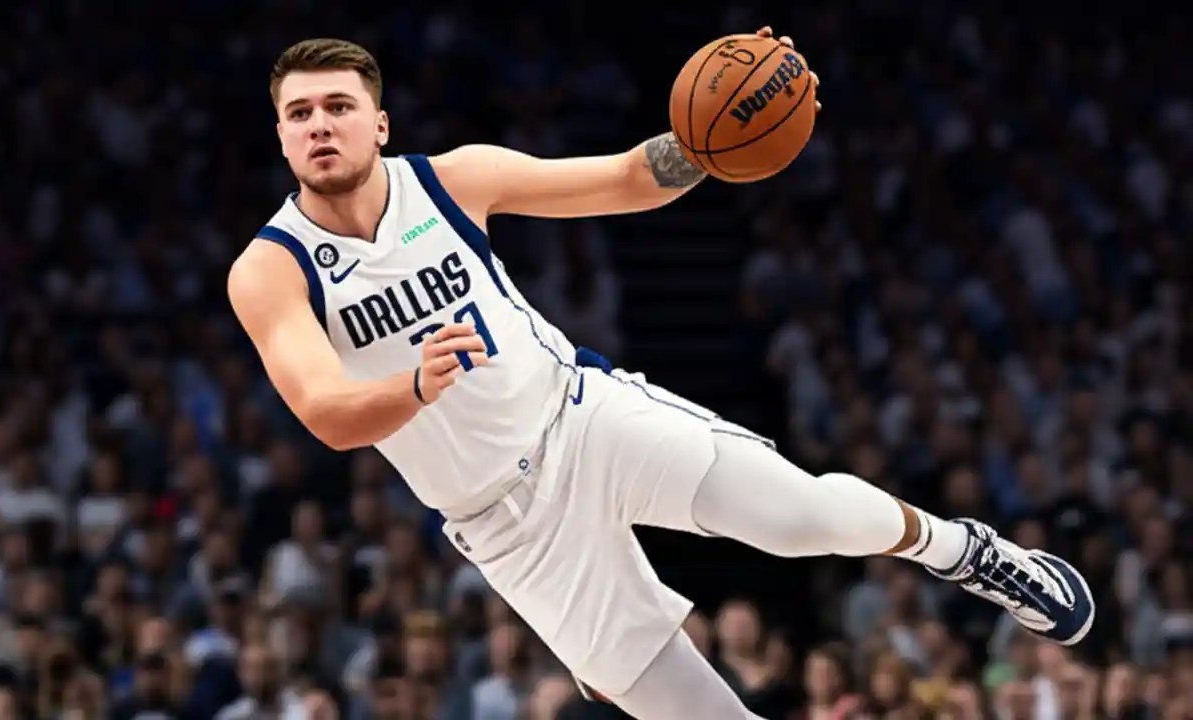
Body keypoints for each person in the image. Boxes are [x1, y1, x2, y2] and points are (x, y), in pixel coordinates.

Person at [227, 27, 1095, 720]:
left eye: (338, 106)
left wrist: (714, 133)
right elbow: (326, 413)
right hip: (504, 523)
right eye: (299, 113)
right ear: (279, 134)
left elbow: (630, 177)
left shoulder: (455, 180)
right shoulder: (271, 269)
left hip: (584, 419)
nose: (319, 126)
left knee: (802, 517)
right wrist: (412, 385)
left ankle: (968, 550)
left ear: (379, 122)